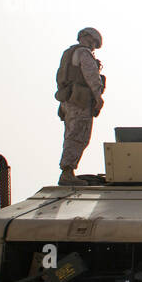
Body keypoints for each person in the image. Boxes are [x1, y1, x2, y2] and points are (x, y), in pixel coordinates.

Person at [55, 27, 105, 186]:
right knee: (79, 135)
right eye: (92, 41)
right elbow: (92, 76)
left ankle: (67, 170)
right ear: (85, 38)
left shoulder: (68, 53)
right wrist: (98, 97)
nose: (92, 46)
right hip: (80, 101)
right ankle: (67, 172)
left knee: (71, 134)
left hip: (68, 101)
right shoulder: (84, 53)